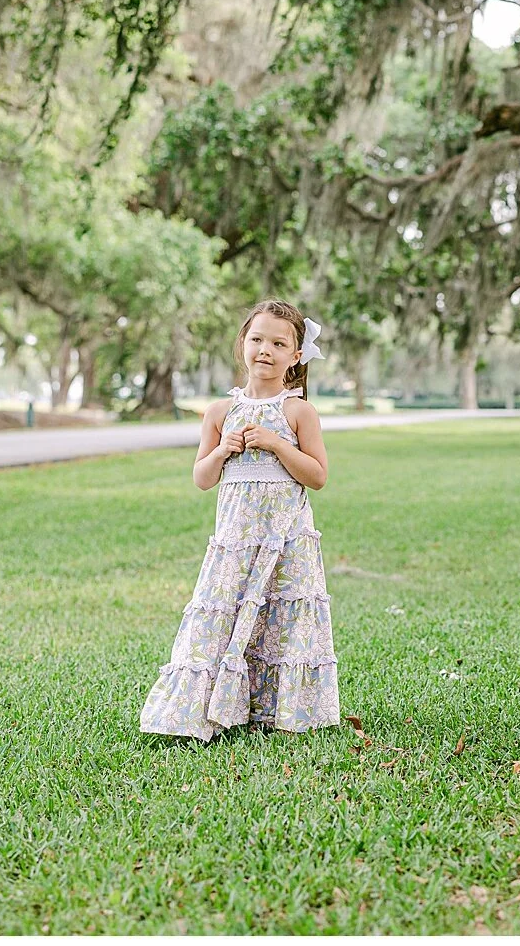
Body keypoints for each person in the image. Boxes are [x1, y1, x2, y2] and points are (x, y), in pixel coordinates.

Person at [139, 299, 340, 738]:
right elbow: (201, 478)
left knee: (282, 621)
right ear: (242, 345)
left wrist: (277, 445)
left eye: (278, 343)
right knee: (222, 614)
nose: (265, 350)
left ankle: (279, 712)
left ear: (295, 355)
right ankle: (204, 710)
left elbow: (318, 476)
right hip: (234, 541)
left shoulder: (298, 412)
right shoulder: (219, 412)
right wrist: (222, 450)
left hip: (286, 539)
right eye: (257, 339)